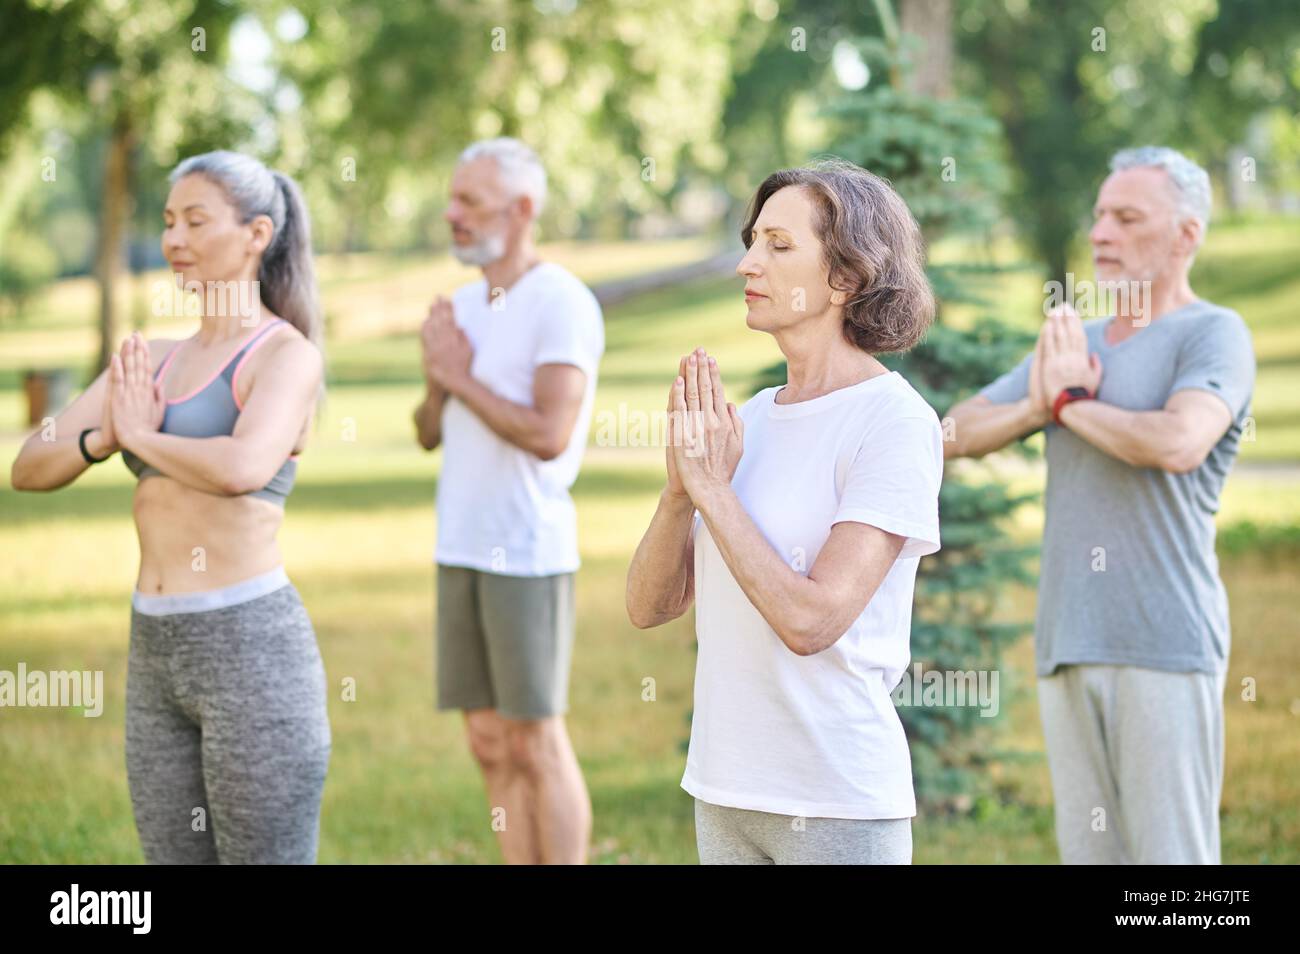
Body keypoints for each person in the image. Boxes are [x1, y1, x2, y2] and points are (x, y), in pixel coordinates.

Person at [11, 150, 330, 864]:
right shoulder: (148, 359)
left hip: (250, 649)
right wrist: (101, 438)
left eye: (195, 220)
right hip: (155, 649)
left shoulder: (284, 356)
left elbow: (244, 467)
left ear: (256, 234)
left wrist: (142, 433)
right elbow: (29, 467)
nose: (174, 240)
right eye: (166, 223)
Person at [625, 158, 943, 864]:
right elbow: (649, 607)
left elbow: (813, 620)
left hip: (835, 802)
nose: (747, 264)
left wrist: (713, 492)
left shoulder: (893, 422)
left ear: (845, 278)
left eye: (778, 245)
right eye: (751, 240)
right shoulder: (754, 418)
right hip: (726, 790)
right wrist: (681, 492)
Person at [944, 146, 1256, 864]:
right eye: (1097, 216)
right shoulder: (1069, 344)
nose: (1100, 234)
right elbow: (952, 432)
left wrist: (1066, 403)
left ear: (1186, 235)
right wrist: (1038, 400)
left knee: (1171, 878)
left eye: (1125, 217)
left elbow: (1179, 441)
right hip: (1066, 641)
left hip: (1163, 646)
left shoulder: (1214, 334)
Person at [413, 138, 604, 864]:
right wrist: (438, 381)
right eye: (453, 198)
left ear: (523, 210)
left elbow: (550, 433)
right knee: (487, 740)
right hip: (457, 545)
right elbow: (429, 433)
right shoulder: (460, 305)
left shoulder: (563, 303)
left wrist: (459, 377)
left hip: (526, 551)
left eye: (470, 201)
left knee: (535, 738)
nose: (450, 213)